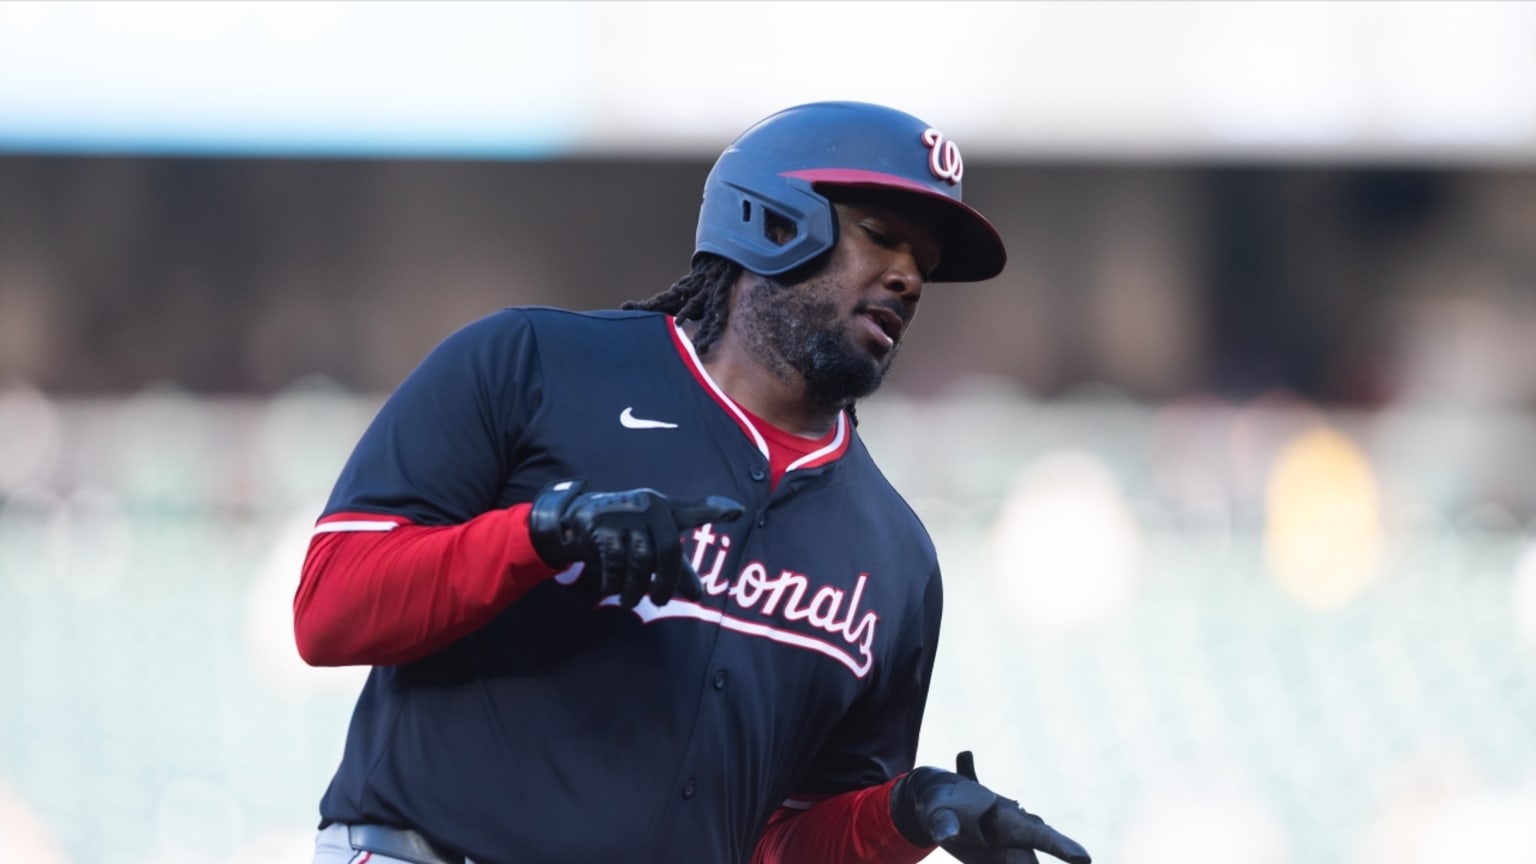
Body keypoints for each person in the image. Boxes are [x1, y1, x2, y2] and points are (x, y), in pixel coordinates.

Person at [294, 100, 1091, 864]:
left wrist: (903, 816)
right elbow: (330, 611)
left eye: (926, 262)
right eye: (883, 236)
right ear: (773, 221)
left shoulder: (897, 558)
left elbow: (778, 844)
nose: (909, 278)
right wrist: (540, 535)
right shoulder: (533, 363)